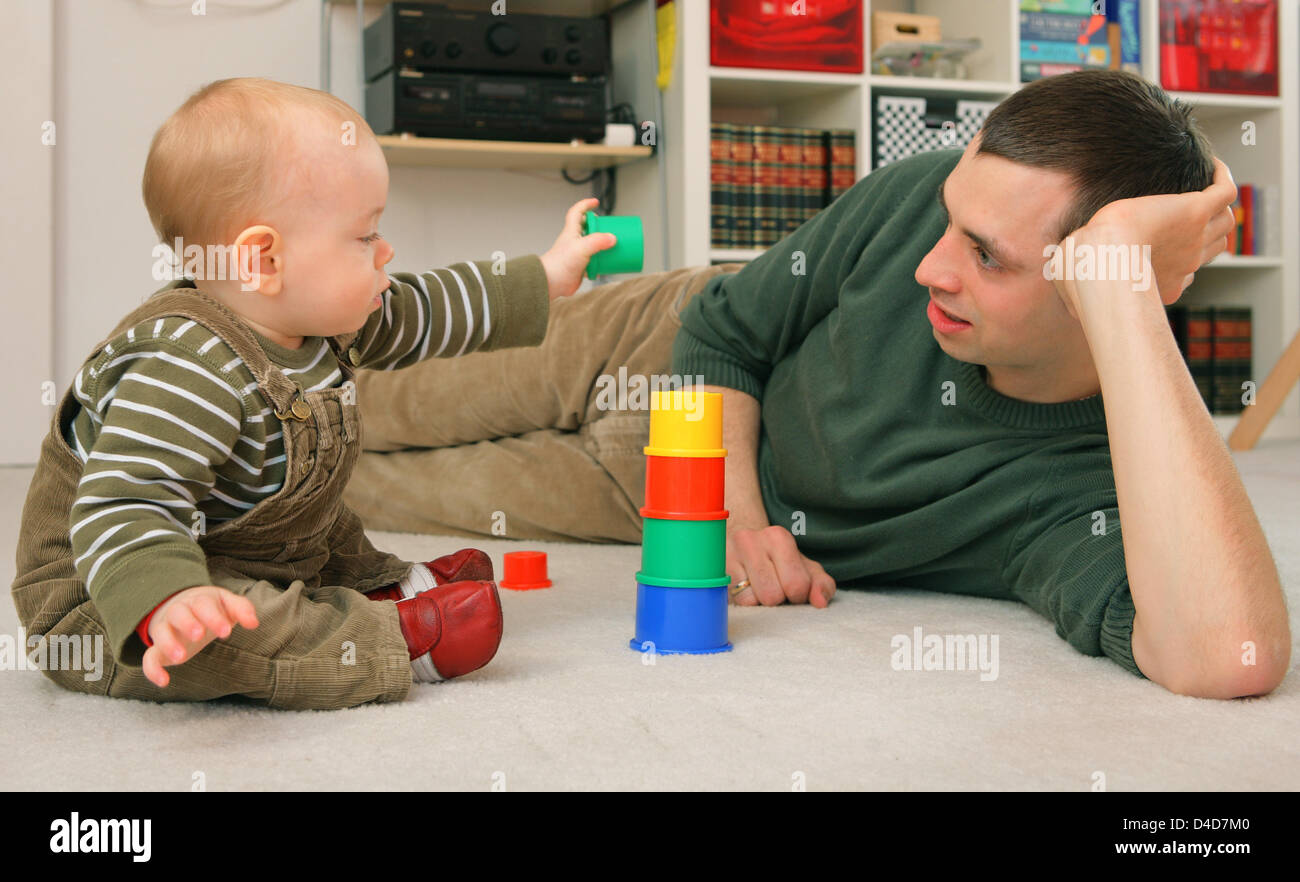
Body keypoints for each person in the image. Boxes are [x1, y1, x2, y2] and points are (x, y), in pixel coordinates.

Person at [347, 70, 1290, 698]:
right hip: (659, 354)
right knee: (328, 387)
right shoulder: (927, 195)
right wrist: (743, 522)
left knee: (320, 488)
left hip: (645, 503)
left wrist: (1129, 276)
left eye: (987, 257)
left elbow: (1225, 657)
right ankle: (198, 323)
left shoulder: (1082, 491)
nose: (931, 268)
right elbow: (722, 331)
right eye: (948, 220)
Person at [10, 77, 616, 709]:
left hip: (254, 550)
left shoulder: (324, 316)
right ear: (264, 261)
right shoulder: (184, 367)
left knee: (324, 524)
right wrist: (169, 599)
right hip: (109, 601)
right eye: (364, 236)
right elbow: (125, 502)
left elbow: (430, 307)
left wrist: (547, 275)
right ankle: (389, 639)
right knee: (239, 633)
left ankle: (377, 585)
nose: (385, 250)